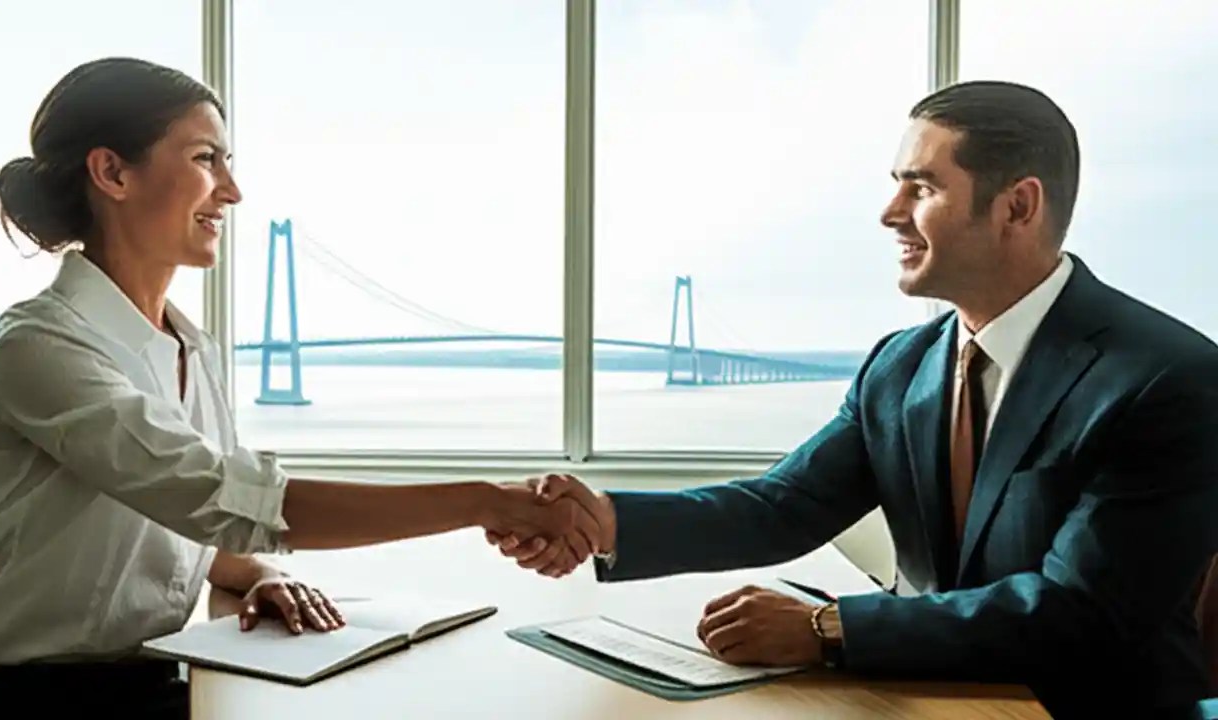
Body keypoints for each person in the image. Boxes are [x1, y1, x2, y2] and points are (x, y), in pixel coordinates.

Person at [492, 81, 1218, 718]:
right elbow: (785, 506)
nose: (889, 212)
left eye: (922, 187)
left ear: (1017, 206)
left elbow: (1080, 614)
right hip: (916, 697)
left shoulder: (1167, 377)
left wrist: (829, 630)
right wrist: (606, 520)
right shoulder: (901, 365)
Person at [0, 57, 598, 718]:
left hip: (143, 676)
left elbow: (182, 525)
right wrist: (486, 503)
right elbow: (217, 499)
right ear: (112, 173)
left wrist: (261, 573)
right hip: (14, 693)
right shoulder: (39, 346)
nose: (232, 190)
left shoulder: (191, 347)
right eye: (205, 158)